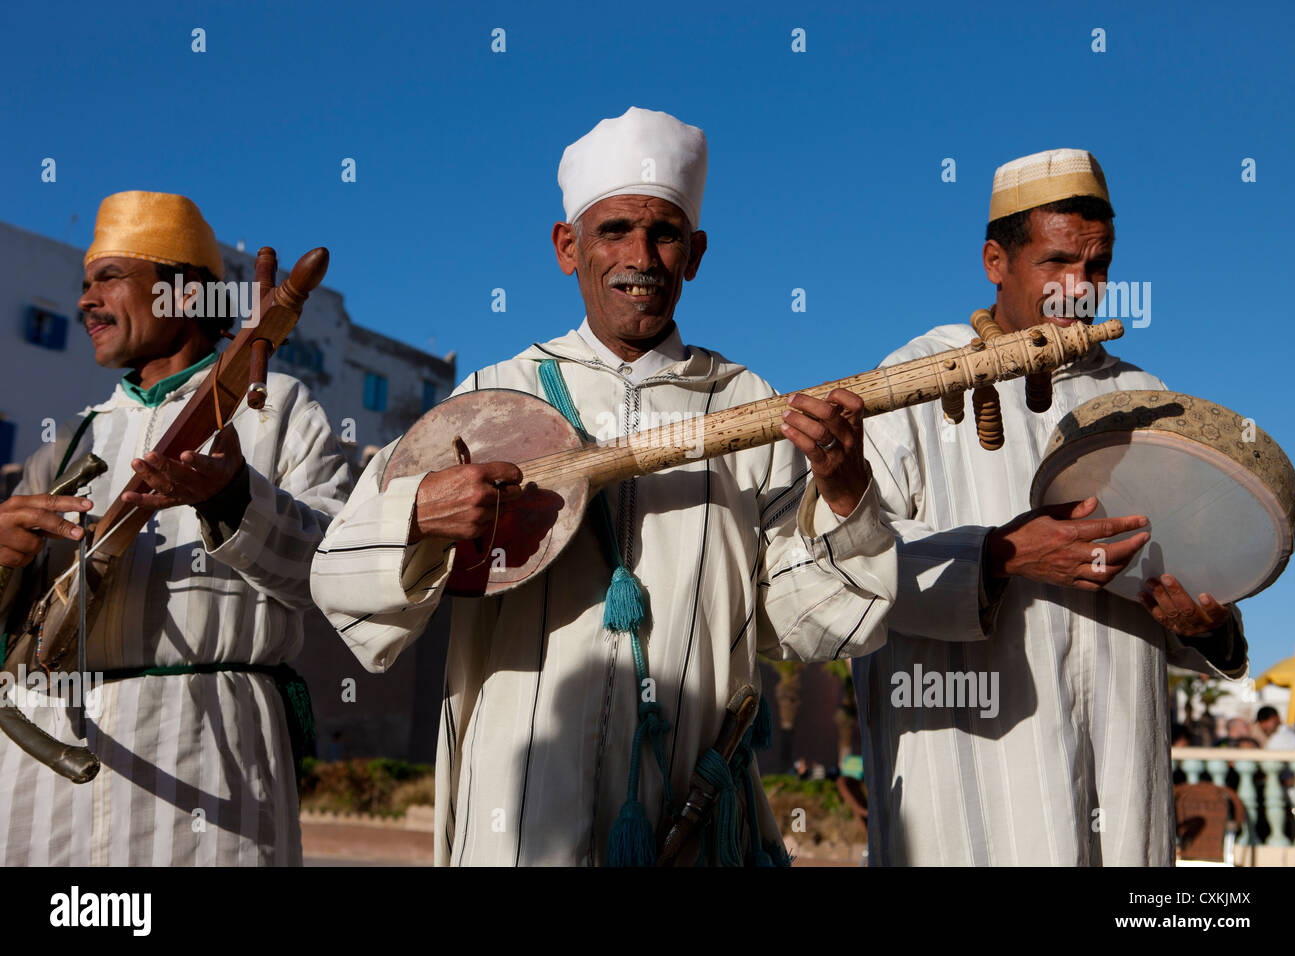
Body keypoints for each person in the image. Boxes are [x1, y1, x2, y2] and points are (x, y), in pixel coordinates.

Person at [311, 107, 897, 866]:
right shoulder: (493, 395)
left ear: (696, 254)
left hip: (695, 806)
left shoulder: (751, 406)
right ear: (567, 247)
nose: (641, 256)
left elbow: (815, 627)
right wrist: (419, 514)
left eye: (664, 234)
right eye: (615, 229)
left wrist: (847, 499)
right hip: (519, 808)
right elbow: (337, 579)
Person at [852, 149, 1248, 866]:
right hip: (966, 786)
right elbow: (845, 568)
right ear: (994, 261)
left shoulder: (1147, 401)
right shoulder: (910, 384)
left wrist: (1209, 625)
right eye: (1058, 263)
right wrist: (998, 558)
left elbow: (1195, 570)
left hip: (1124, 782)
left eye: (1097, 268)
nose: (1081, 291)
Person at [0, 191, 352, 865]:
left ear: (184, 297)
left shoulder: (275, 413)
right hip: (38, 770)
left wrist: (234, 504)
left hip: (206, 756)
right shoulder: (64, 447)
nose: (85, 301)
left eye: (109, 278)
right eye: (82, 284)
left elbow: (339, 573)